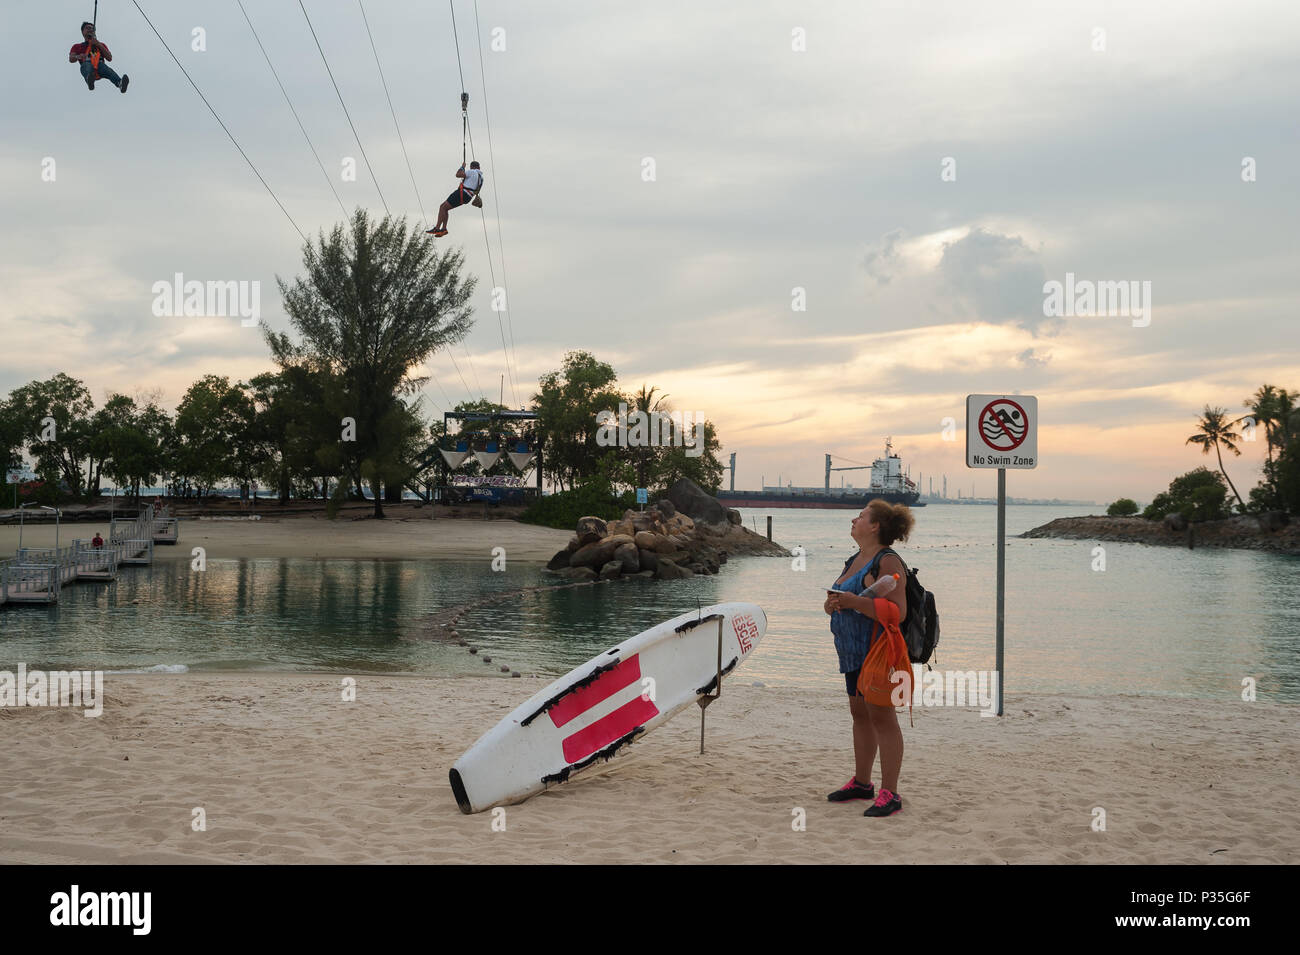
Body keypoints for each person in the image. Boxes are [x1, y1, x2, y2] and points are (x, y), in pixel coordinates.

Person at [824, 498, 915, 818]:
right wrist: (833, 604)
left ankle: (891, 793)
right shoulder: (855, 558)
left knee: (882, 718)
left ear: (875, 526)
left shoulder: (887, 561)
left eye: (861, 516)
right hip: (851, 651)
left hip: (878, 651)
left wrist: (853, 602)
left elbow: (898, 613)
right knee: (859, 714)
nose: (854, 519)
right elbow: (841, 598)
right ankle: (863, 783)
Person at [425, 161, 483, 236]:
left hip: (463, 193)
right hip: (468, 197)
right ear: (479, 167)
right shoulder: (481, 178)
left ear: (472, 167)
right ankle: (443, 229)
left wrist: (462, 167)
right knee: (445, 208)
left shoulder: (472, 172)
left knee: (442, 207)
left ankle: (437, 228)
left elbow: (458, 175)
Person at [70, 21, 129, 93]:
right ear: (82, 32)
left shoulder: (101, 45)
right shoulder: (77, 46)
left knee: (108, 70)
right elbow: (71, 58)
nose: (90, 30)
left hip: (99, 66)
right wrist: (78, 56)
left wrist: (98, 44)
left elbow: (109, 58)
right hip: (87, 65)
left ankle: (120, 83)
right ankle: (89, 79)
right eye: (87, 28)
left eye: (92, 29)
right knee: (86, 65)